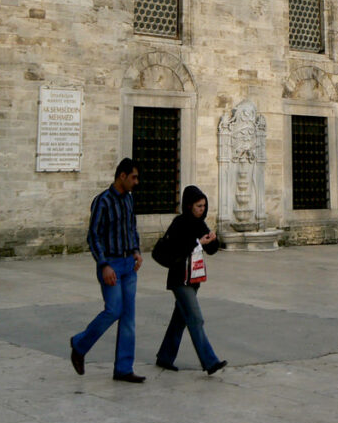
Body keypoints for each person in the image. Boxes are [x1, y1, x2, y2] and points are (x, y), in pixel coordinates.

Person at [70, 158, 145, 384]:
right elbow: (94, 236)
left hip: (128, 265)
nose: (136, 182)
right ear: (121, 176)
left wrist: (136, 251)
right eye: (133, 177)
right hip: (110, 264)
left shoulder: (129, 200)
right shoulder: (102, 202)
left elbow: (131, 227)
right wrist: (104, 265)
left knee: (129, 317)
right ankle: (80, 344)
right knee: (113, 310)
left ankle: (123, 368)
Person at [153, 185, 225, 376]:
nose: (202, 209)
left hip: (193, 280)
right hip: (180, 279)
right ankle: (210, 361)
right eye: (198, 206)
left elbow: (210, 250)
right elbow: (177, 249)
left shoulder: (200, 223)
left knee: (180, 319)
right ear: (189, 205)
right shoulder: (179, 223)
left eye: (204, 206)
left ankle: (165, 357)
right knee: (195, 318)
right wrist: (197, 243)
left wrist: (212, 240)